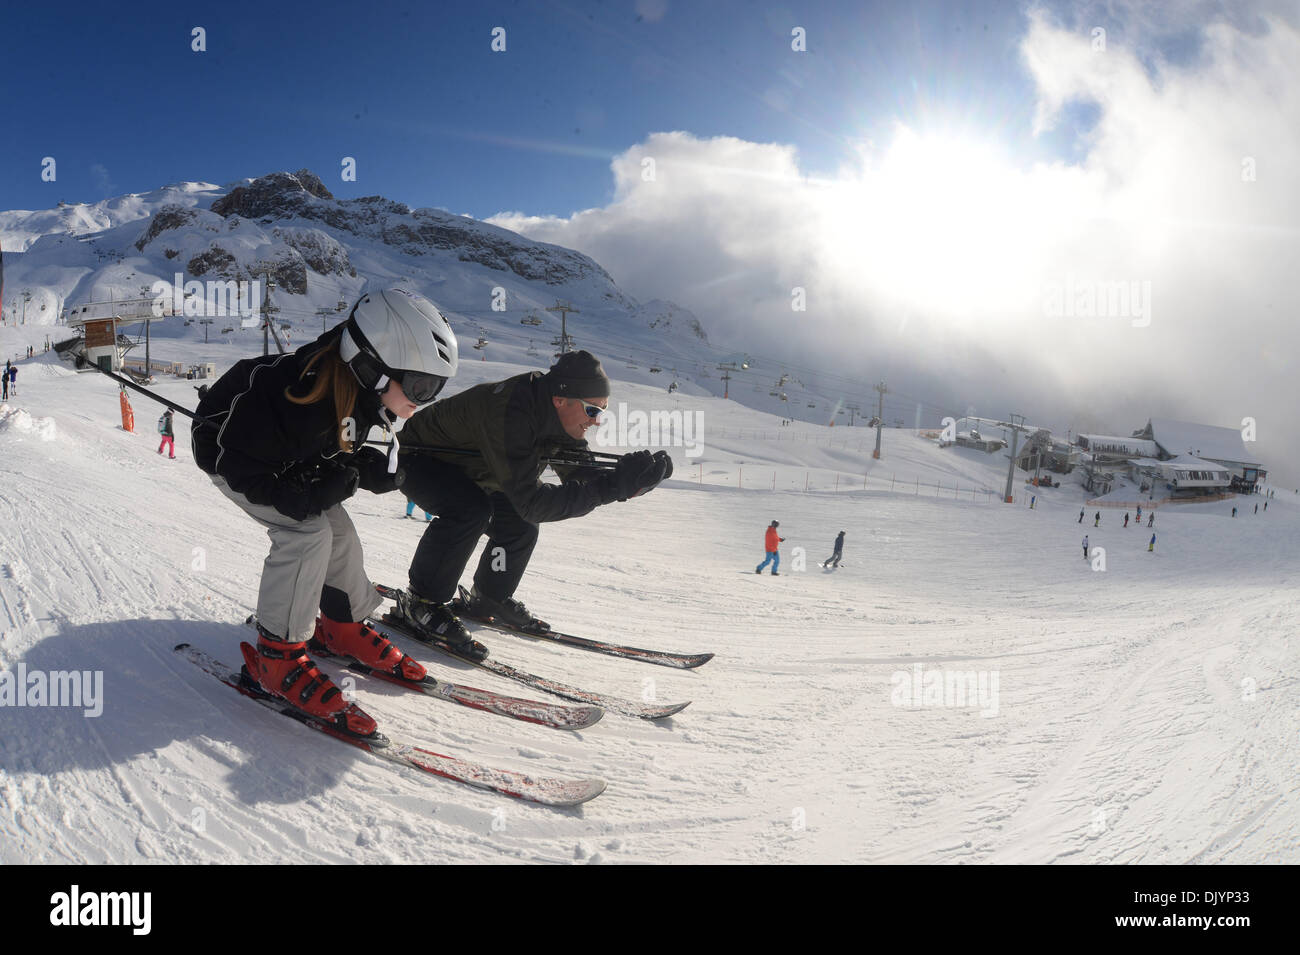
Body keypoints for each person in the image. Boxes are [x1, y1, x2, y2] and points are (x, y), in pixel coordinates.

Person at [191, 288, 456, 738]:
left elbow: (334, 445)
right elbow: (236, 460)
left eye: (435, 389)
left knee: (340, 533)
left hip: (284, 463)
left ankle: (341, 626)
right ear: (373, 366)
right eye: (420, 387)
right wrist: (296, 497)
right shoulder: (294, 392)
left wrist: (362, 469)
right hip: (231, 458)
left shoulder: (361, 392)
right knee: (306, 534)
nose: (423, 400)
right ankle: (276, 659)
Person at [394, 349, 672, 656]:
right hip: (419, 460)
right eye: (593, 411)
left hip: (478, 473)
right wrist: (610, 487)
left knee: (518, 525)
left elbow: (579, 473)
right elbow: (534, 502)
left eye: (602, 413)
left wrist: (629, 483)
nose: (596, 422)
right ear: (560, 400)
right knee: (470, 511)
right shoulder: (512, 411)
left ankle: (489, 595)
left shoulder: (559, 414)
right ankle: (421, 602)